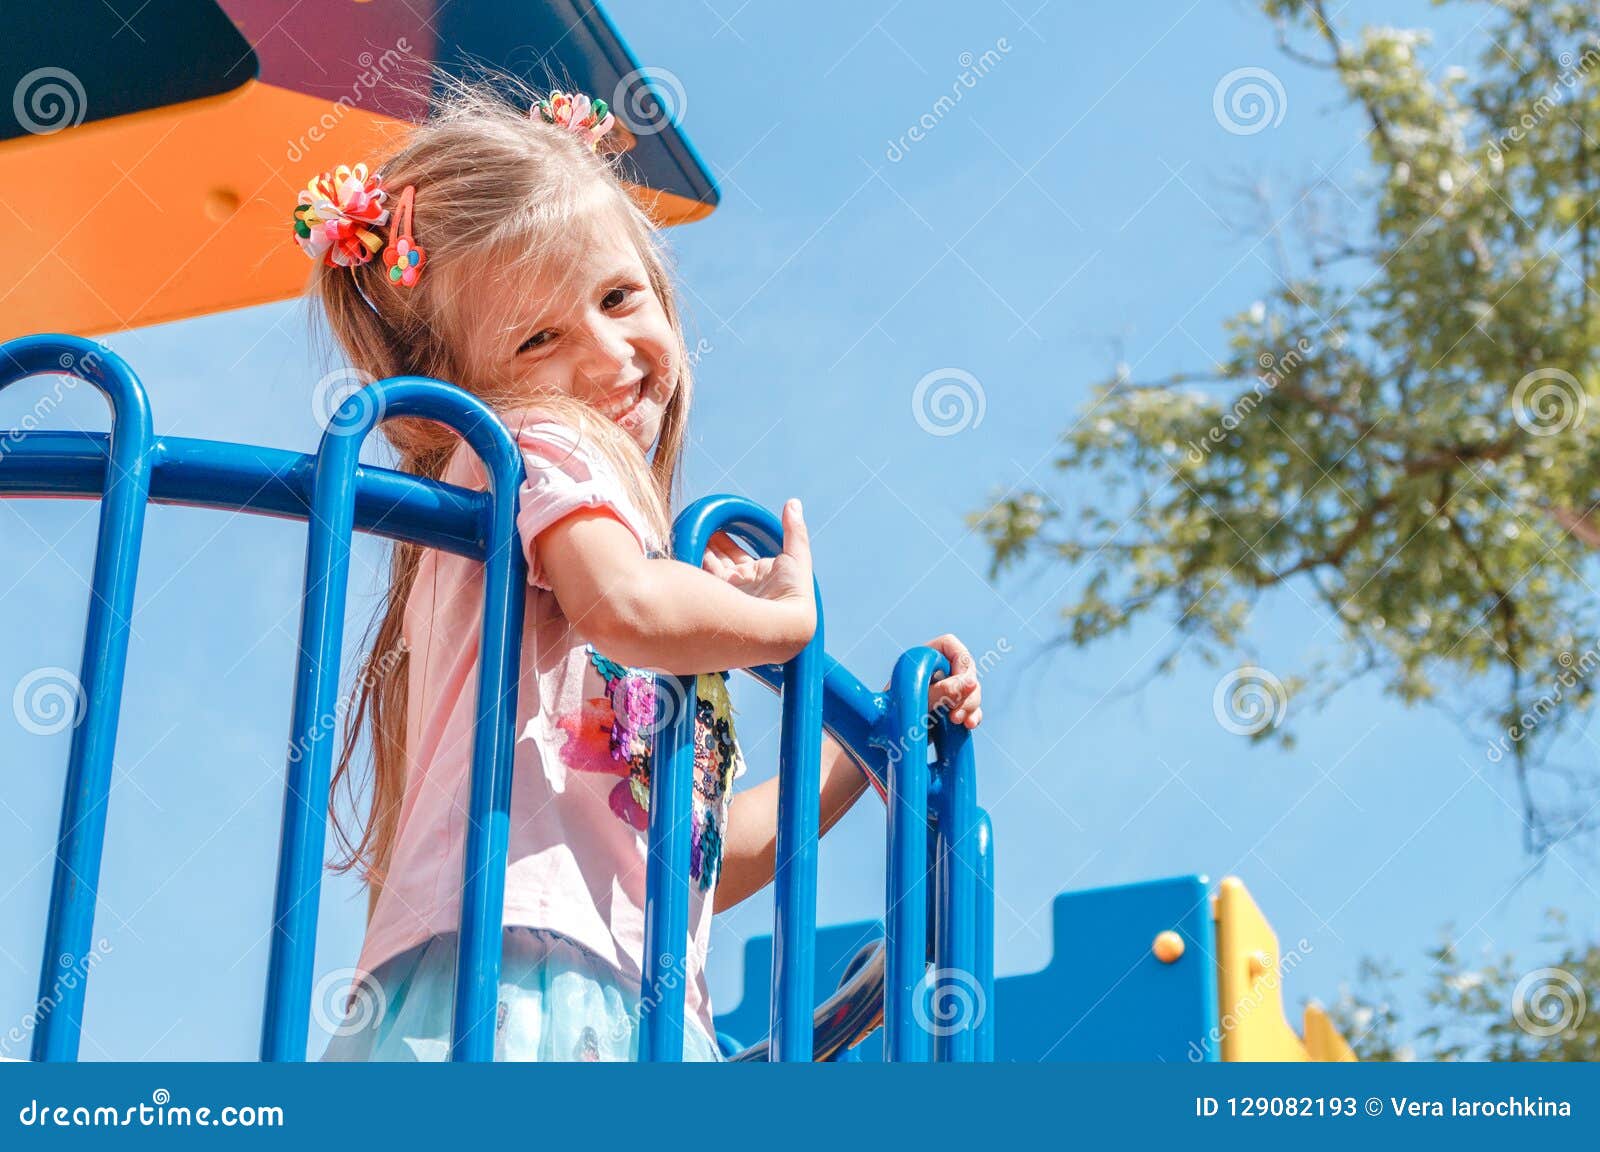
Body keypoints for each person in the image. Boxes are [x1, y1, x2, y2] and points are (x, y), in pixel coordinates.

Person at [301, 79, 984, 1061]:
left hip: (628, 994)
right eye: (539, 339)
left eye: (619, 298)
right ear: (465, 389)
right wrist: (786, 624)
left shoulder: (643, 569)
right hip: (522, 987)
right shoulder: (529, 444)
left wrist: (852, 753)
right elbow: (622, 607)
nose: (607, 353)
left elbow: (686, 859)